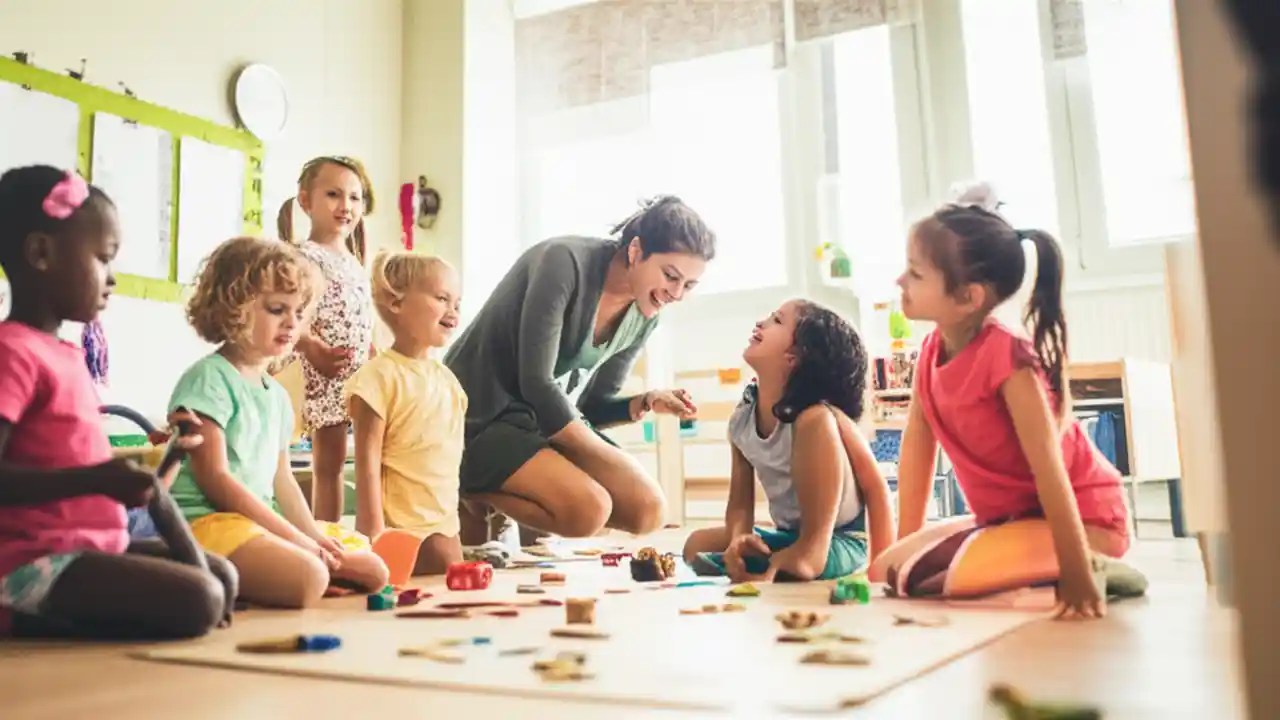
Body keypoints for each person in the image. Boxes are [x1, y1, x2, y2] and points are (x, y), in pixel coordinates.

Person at [868, 186, 1147, 619]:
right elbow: (918, 452)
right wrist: (904, 558)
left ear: (968, 298)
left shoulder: (1007, 357)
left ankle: (1100, 567)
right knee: (885, 570)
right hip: (1011, 522)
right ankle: (1029, 565)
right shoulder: (928, 352)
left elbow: (1049, 468)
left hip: (1086, 523)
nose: (900, 282)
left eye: (915, 274)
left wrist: (1075, 569)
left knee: (955, 581)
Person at [0, 165, 228, 638]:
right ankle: (19, 612)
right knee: (201, 597)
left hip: (91, 547)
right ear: (41, 253)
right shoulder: (12, 351)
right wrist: (94, 480)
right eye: (103, 259)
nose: (113, 279)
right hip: (30, 558)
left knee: (222, 577)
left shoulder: (65, 353)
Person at [444, 195, 714, 541]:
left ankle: (516, 498)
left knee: (648, 509)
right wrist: (612, 459)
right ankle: (468, 489)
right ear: (635, 251)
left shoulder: (644, 315)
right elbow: (536, 382)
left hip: (535, 424)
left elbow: (590, 407)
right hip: (478, 415)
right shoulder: (564, 263)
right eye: (670, 276)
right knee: (590, 510)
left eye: (688, 286)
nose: (676, 294)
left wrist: (645, 401)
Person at [172, 236, 388, 609]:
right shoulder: (209, 379)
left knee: (374, 571)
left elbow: (282, 479)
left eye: (299, 311)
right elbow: (217, 482)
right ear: (232, 307)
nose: (293, 323)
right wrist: (297, 541)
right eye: (276, 309)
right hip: (207, 523)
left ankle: (280, 572)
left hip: (256, 521)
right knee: (311, 575)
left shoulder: (276, 395)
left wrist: (310, 536)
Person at [683, 300, 894, 582]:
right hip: (790, 534)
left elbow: (876, 486)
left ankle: (806, 555)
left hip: (841, 539)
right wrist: (738, 543)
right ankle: (786, 558)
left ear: (795, 356)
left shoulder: (823, 415)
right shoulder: (742, 420)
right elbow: (740, 504)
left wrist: (882, 567)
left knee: (813, 420)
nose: (762, 323)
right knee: (695, 545)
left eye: (777, 321)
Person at [345, 251, 466, 575]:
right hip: (402, 531)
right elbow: (367, 463)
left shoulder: (449, 382)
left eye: (457, 302)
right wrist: (372, 531)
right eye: (441, 298)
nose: (452, 311)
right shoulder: (377, 378)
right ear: (396, 303)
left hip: (446, 527)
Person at [276, 156, 376, 521]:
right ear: (306, 201)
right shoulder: (303, 255)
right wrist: (310, 346)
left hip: (360, 375)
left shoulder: (354, 259)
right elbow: (290, 312)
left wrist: (374, 353)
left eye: (355, 198)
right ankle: (328, 534)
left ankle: (364, 534)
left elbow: (363, 315)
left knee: (367, 462)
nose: (345, 206)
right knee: (329, 465)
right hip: (324, 371)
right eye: (333, 194)